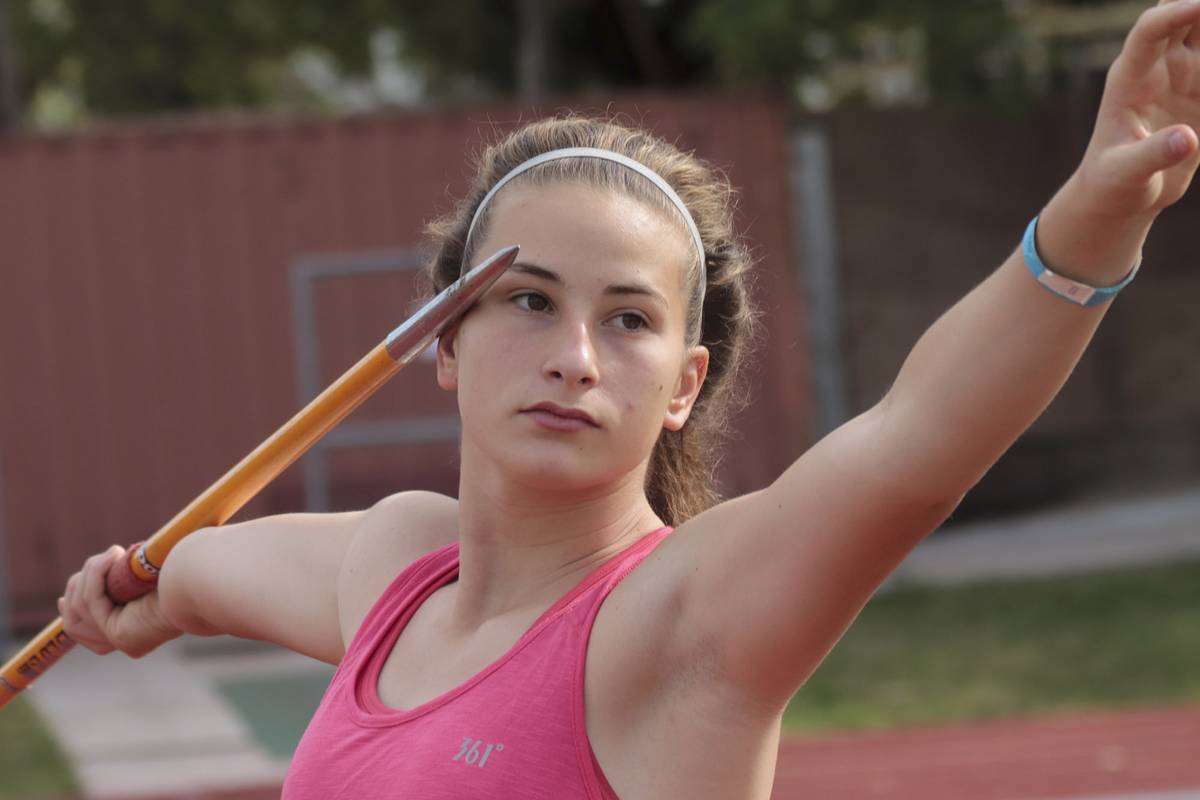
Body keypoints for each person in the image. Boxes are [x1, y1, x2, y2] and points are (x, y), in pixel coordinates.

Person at [59, 3, 1200, 797]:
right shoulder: (395, 569)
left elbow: (917, 436)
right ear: (444, 339)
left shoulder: (684, 620)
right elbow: (207, 569)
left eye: (629, 319)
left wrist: (1092, 228)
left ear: (683, 385)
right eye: (529, 302)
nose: (576, 357)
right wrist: (144, 598)